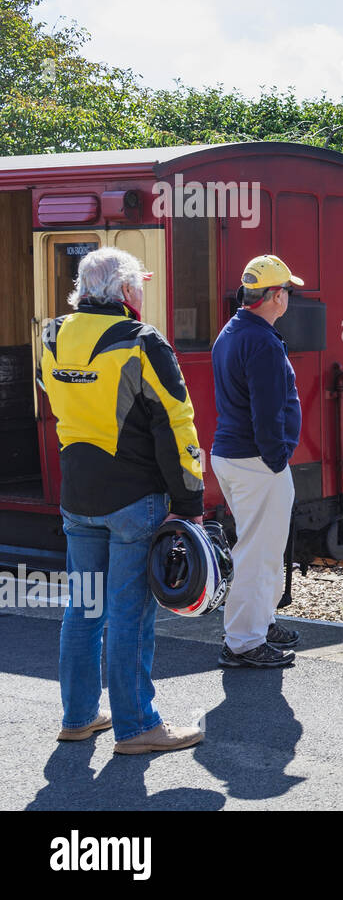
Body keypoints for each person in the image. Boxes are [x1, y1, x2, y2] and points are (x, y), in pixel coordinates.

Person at [40, 247, 205, 755]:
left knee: (84, 608)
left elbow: (52, 393)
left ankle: (79, 716)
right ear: (128, 293)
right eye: (139, 288)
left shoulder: (51, 335)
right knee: (130, 614)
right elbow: (176, 423)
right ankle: (137, 727)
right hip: (135, 501)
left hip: (77, 497)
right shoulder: (142, 342)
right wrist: (190, 499)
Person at [210, 255, 304, 669]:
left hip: (232, 455)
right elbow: (266, 412)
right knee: (258, 552)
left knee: (259, 547)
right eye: (287, 290)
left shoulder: (232, 332)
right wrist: (276, 457)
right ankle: (244, 643)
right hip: (255, 460)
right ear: (275, 295)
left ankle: (259, 624)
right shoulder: (262, 342)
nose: (288, 297)